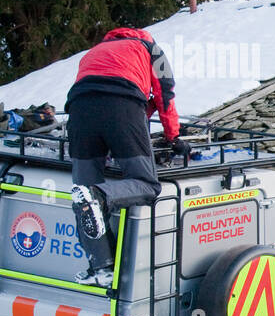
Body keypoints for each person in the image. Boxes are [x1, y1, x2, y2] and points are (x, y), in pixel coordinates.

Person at [66, 26, 188, 285]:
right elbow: (165, 96)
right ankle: (100, 196)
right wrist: (173, 136)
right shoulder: (152, 50)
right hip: (122, 109)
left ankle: (101, 267)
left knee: (82, 192)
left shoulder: (95, 52)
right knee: (147, 184)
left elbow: (99, 96)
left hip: (78, 113)